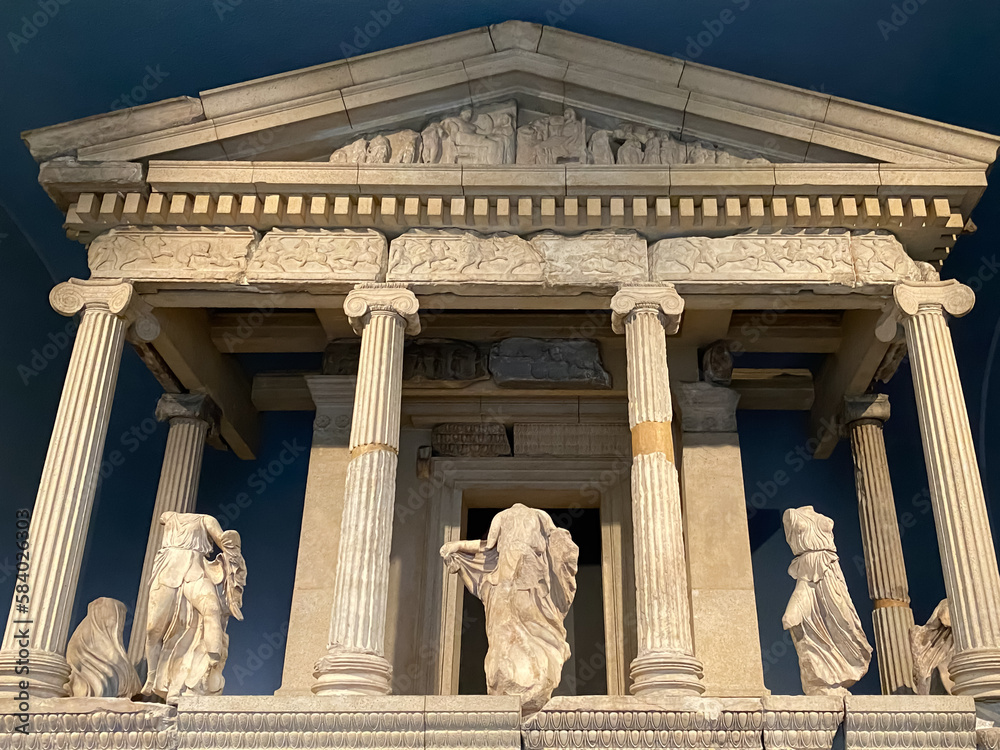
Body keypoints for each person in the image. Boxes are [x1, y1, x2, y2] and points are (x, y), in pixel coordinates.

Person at [142, 511, 246, 703]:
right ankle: (151, 675)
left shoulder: (207, 520)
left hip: (195, 569)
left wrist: (233, 555)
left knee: (211, 608)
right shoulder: (168, 516)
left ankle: (212, 658)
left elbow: (224, 542)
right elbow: (162, 518)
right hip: (167, 569)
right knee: (153, 629)